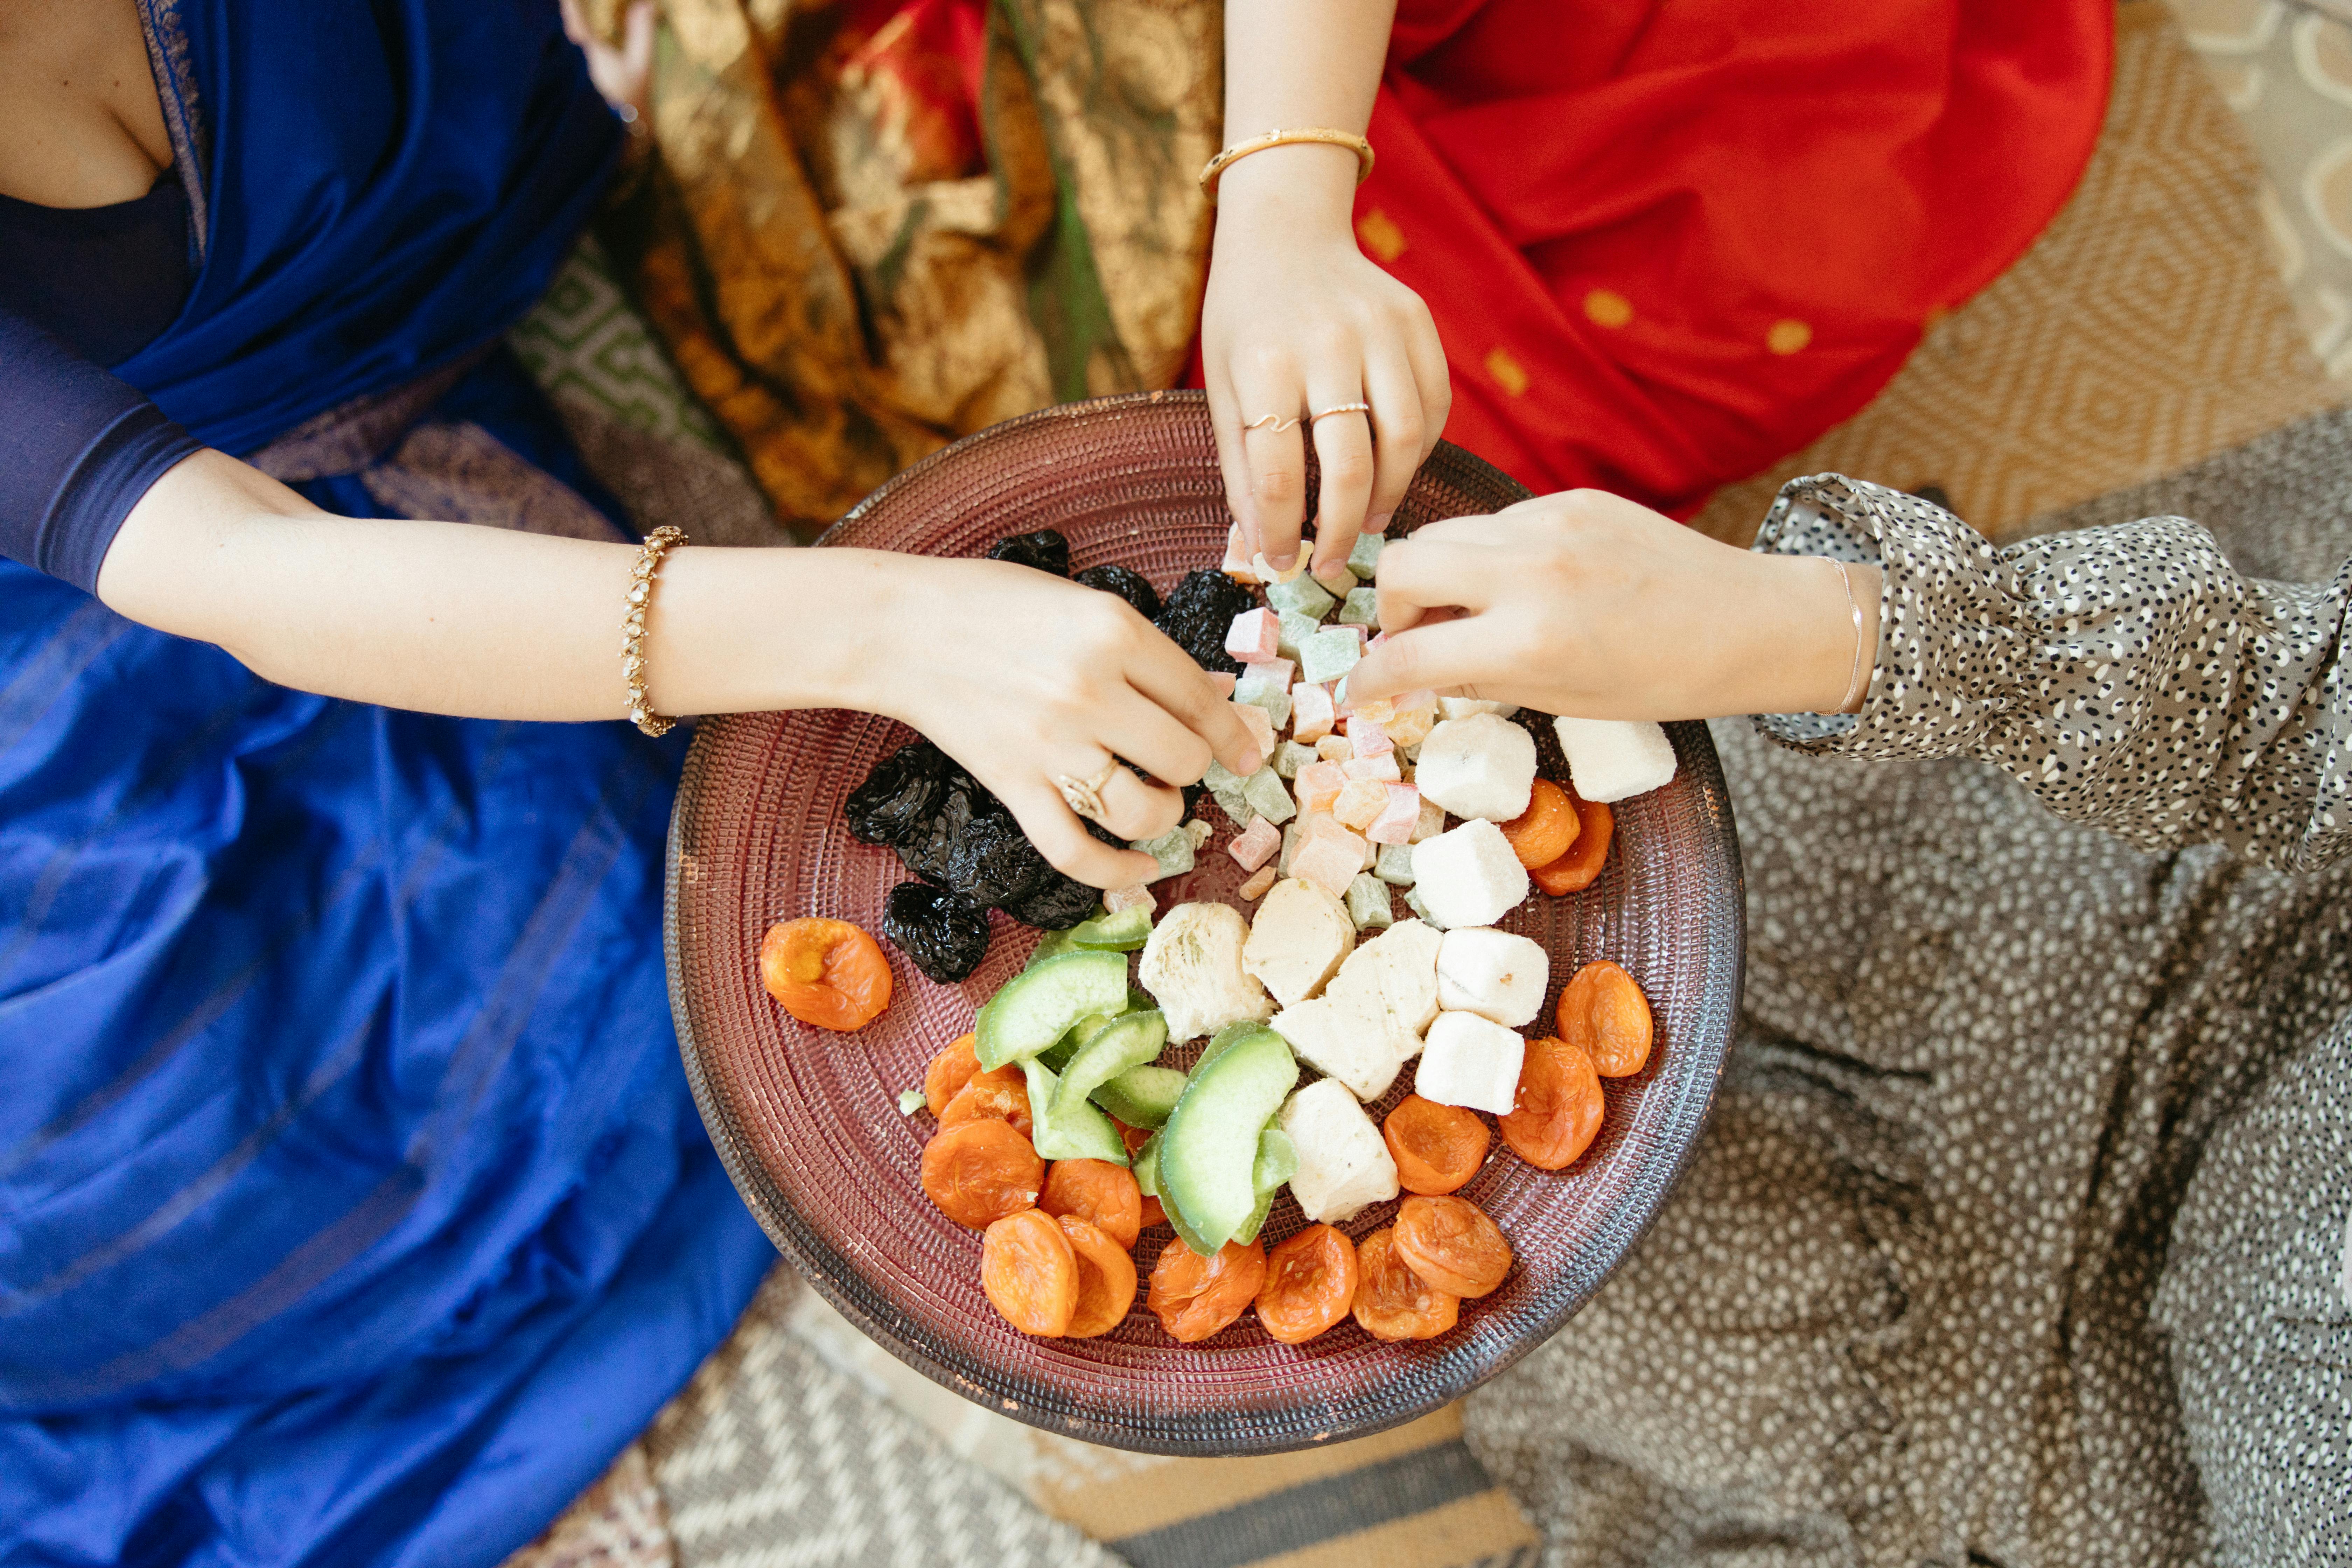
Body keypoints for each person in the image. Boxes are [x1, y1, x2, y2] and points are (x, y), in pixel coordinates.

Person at [1344, 477, 2351, 1564]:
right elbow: (2291, 705)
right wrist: (1825, 624)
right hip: (2224, 957)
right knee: (1689, 814)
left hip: (2088, 1412)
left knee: (1602, 1331)